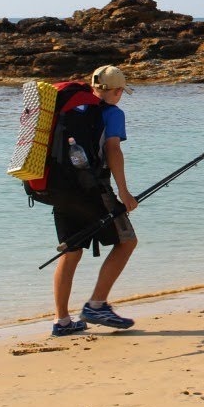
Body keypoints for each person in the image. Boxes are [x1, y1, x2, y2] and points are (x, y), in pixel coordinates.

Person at [50, 65, 139, 336]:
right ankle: (97, 304)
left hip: (60, 190)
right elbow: (113, 149)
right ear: (116, 91)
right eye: (121, 91)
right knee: (126, 241)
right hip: (93, 191)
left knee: (72, 252)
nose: (121, 96)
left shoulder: (67, 109)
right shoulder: (111, 113)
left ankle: (62, 321)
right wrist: (124, 192)